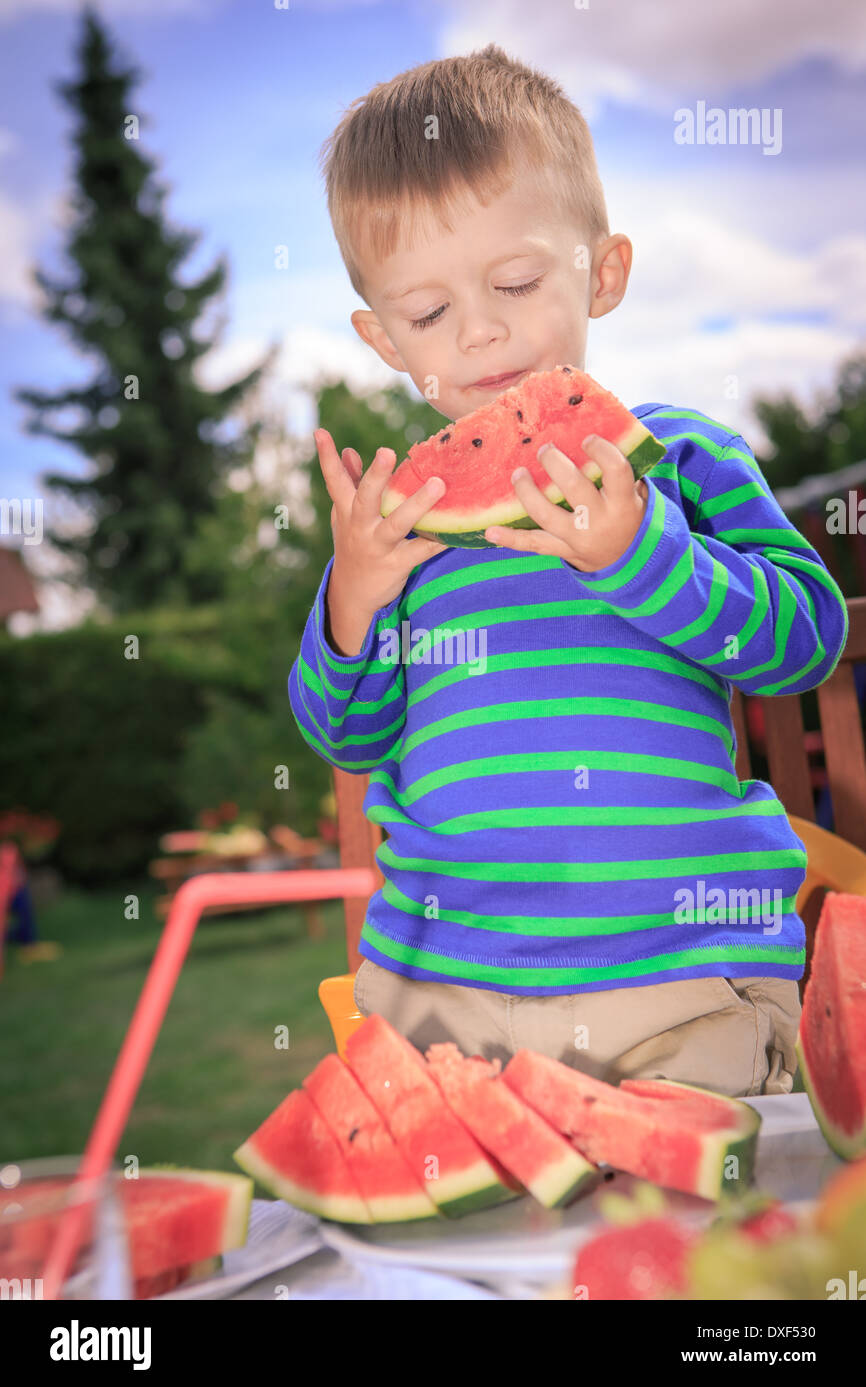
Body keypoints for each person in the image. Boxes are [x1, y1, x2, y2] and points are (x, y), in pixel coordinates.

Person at [288, 46, 849, 1097]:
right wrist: (352, 602)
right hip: (445, 996)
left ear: (602, 271)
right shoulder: (404, 525)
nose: (482, 328)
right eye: (427, 315)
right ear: (379, 339)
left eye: (512, 281)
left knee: (693, 1225)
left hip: (675, 981)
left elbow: (802, 637)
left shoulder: (679, 457)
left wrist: (648, 558)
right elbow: (344, 734)